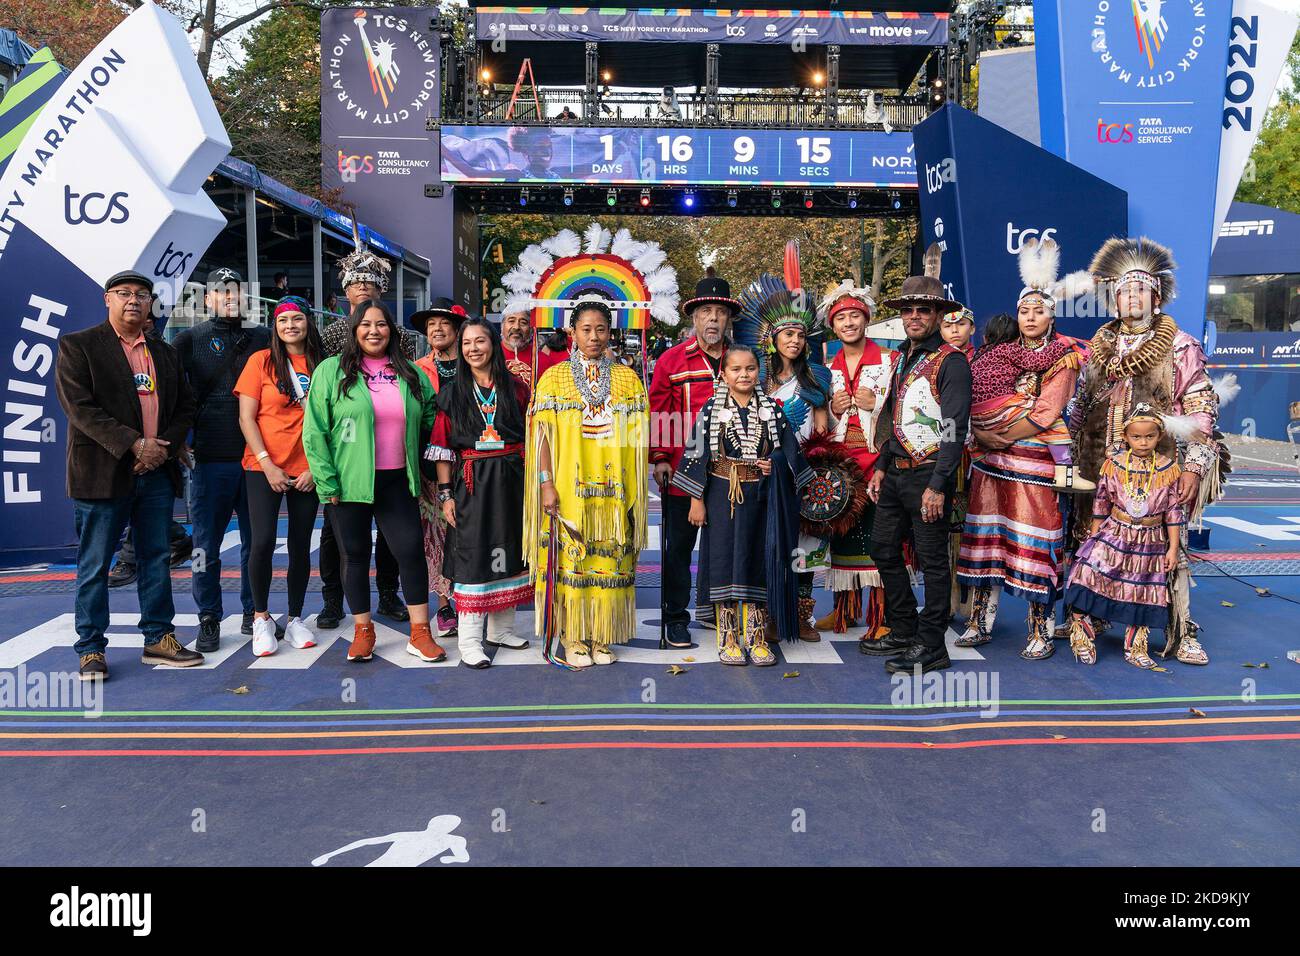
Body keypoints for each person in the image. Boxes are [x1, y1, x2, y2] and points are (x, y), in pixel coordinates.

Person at [1069, 236, 1227, 665]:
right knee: (1097, 544)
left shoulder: (1179, 346)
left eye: (1141, 290)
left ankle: (1180, 628)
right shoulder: (1097, 348)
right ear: (1114, 300)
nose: (1132, 297)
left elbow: (1200, 407)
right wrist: (1066, 454)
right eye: (1124, 291)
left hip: (1161, 469)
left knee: (1167, 552)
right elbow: (1079, 406)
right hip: (1100, 469)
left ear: (1156, 298)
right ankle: (1097, 615)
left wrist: (1193, 468)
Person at [55, 270, 204, 679]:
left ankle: (158, 638)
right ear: (108, 299)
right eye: (124, 293)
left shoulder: (165, 353)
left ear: (150, 303)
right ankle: (90, 648)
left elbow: (185, 407)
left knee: (155, 558)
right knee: (95, 564)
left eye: (141, 294)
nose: (133, 300)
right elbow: (80, 408)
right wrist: (135, 445)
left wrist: (162, 449)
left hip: (155, 473)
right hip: (102, 473)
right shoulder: (79, 345)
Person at [955, 240, 1088, 659]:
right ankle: (979, 621)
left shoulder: (1064, 356)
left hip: (1035, 467)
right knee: (987, 538)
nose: (1030, 317)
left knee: (1035, 542)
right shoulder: (1001, 353)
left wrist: (1001, 436)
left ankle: (1040, 630)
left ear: (1052, 316)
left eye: (1039, 311)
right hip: (991, 466)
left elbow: (1047, 411)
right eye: (1024, 311)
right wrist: (984, 436)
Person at [303, 301, 442, 663]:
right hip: (349, 484)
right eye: (365, 324)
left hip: (398, 480)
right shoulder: (331, 371)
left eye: (381, 324)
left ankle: (420, 633)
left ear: (391, 331)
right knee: (355, 555)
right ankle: (363, 631)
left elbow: (432, 416)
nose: (374, 331)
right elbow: (315, 431)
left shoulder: (410, 372)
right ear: (354, 330)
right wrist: (326, 482)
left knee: (410, 552)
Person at [524, 296, 649, 668]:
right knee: (572, 558)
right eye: (586, 329)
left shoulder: (628, 379)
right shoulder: (553, 378)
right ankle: (572, 634)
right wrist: (546, 483)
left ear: (611, 333)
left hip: (613, 491)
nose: (594, 337)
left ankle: (600, 634)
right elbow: (542, 438)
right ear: (572, 333)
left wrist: (632, 487)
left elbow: (638, 439)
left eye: (601, 330)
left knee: (608, 559)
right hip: (568, 487)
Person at [866, 251, 972, 675]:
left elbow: (954, 428)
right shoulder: (902, 358)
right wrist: (880, 465)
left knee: (932, 561)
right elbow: (894, 417)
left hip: (929, 474)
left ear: (938, 315)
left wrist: (938, 485)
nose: (914, 316)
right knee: (882, 548)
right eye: (908, 309)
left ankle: (932, 645)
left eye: (923, 310)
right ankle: (904, 627)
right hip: (895, 472)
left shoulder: (952, 362)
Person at [674, 345, 811, 665]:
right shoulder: (712, 409)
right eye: (735, 369)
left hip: (762, 497)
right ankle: (728, 637)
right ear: (724, 374)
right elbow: (696, 455)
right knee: (723, 560)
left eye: (750, 368)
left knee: (757, 559)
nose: (744, 375)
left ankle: (757, 636)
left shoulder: (772, 409)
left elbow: (789, 452)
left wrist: (775, 464)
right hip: (721, 495)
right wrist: (696, 500)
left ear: (758, 372)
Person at [315, 241, 422, 629]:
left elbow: (413, 395)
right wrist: (325, 470)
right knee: (341, 541)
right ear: (346, 292)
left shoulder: (400, 337)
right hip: (347, 458)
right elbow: (320, 402)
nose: (362, 288)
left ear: (381, 291)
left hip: (393, 462)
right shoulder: (330, 336)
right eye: (355, 283)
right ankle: (333, 601)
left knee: (398, 542)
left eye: (369, 283)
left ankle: (390, 594)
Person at [171, 266, 270, 652]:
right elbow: (169, 392)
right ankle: (208, 617)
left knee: (255, 543)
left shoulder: (263, 337)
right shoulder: (189, 340)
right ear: (208, 298)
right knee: (203, 546)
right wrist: (177, 440)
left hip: (255, 460)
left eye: (236, 290)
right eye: (221, 291)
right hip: (209, 461)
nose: (230, 297)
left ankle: (253, 612)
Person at [426, 318, 533, 668]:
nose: (473, 349)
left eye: (480, 341)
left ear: (493, 345)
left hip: (513, 480)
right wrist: (446, 495)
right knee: (473, 554)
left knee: (510, 549)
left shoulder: (516, 389)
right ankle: (470, 640)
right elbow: (442, 448)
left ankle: (501, 630)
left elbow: (532, 435)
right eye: (467, 343)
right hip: (472, 484)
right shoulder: (453, 393)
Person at [736, 272, 831, 642]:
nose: (795, 341)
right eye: (788, 334)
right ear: (772, 338)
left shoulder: (816, 378)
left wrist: (813, 464)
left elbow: (822, 430)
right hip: (760, 474)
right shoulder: (756, 378)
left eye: (800, 335)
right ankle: (769, 615)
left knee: (804, 547)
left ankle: (801, 615)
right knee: (768, 546)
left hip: (801, 473)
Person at [648, 273, 740, 646]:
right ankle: (675, 617)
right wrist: (660, 458)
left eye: (720, 311)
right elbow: (660, 410)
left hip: (732, 472)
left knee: (727, 546)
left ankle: (720, 611)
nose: (713, 318)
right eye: (706, 312)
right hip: (683, 472)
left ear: (729, 318)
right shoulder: (672, 360)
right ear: (694, 317)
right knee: (678, 549)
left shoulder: (741, 359)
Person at [1063, 404, 1185, 667]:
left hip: (1150, 540)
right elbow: (1101, 504)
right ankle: (1082, 634)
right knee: (1088, 575)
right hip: (1114, 533)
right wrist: (1093, 537)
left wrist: (1172, 549)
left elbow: (1173, 512)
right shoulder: (1114, 465)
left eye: (1150, 436)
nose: (1143, 442)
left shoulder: (1168, 468)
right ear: (1125, 436)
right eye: (1136, 436)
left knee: (1141, 590)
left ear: (1159, 436)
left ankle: (1136, 646)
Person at [234, 297, 322, 656]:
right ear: (275, 326)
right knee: (262, 542)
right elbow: (246, 417)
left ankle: (296, 617)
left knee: (301, 543)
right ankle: (261, 618)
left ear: (308, 322)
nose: (290, 326)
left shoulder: (323, 364)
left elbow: (332, 419)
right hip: (263, 466)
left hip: (308, 469)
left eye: (297, 319)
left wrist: (316, 468)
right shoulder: (261, 361)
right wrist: (267, 463)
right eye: (283, 320)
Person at [815, 282, 899, 649]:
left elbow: (904, 410)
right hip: (841, 465)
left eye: (854, 316)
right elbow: (819, 417)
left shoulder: (890, 361)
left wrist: (876, 401)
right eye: (841, 318)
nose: (848, 323)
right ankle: (845, 610)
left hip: (878, 461)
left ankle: (882, 616)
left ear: (866, 320)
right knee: (843, 536)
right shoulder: (826, 367)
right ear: (833, 325)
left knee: (881, 540)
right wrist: (832, 409)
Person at [413, 298, 468, 641]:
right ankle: (445, 602)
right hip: (430, 466)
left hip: (472, 462)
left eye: (444, 323)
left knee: (468, 531)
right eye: (431, 324)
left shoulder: (475, 361)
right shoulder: (416, 369)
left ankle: (473, 597)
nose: (437, 329)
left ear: (457, 329)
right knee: (435, 534)